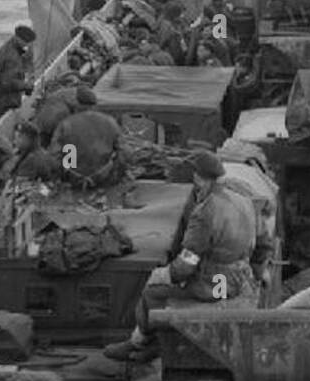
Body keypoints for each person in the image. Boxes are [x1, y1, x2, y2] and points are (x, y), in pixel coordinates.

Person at [104, 150, 269, 362]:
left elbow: (186, 266)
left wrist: (164, 274)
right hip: (239, 279)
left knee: (152, 292)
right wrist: (257, 273)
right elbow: (264, 244)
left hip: (215, 285)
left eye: (195, 178)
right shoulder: (245, 202)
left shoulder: (205, 212)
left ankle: (141, 342)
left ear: (199, 178)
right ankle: (153, 343)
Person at [50, 103, 123, 188]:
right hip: (104, 179)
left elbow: (54, 155)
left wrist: (62, 175)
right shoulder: (110, 121)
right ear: (95, 105)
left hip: (73, 181)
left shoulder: (66, 124)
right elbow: (125, 152)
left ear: (77, 104)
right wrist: (116, 173)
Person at [0, 25, 35, 120]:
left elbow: (22, 63)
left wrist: (28, 58)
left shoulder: (13, 46)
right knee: (0, 123)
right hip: (3, 100)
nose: (28, 45)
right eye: (27, 43)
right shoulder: (11, 57)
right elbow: (8, 83)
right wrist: (26, 86)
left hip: (2, 95)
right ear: (19, 39)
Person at [0, 119, 60, 184]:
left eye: (19, 137)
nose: (14, 141)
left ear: (28, 139)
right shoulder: (41, 152)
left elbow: (16, 185)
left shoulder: (31, 159)